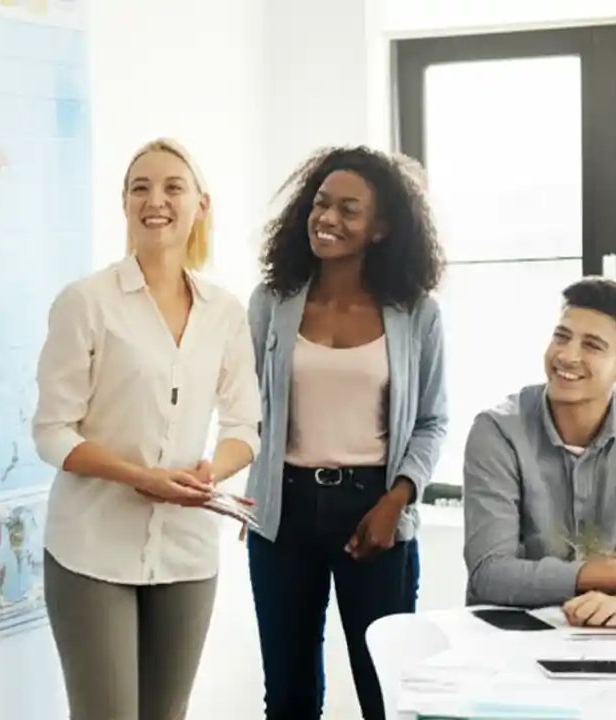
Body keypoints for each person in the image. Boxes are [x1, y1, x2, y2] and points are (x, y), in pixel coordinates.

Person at [32, 137, 261, 720]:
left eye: (172, 187)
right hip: (91, 548)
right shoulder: (86, 302)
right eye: (140, 187)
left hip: (186, 552)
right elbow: (53, 431)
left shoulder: (224, 311)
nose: (154, 200)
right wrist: (139, 476)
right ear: (125, 204)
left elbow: (245, 423)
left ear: (200, 205)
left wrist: (211, 471)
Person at [246, 145, 448, 720]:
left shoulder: (416, 313)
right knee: (288, 695)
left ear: (381, 227)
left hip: (374, 512)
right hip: (283, 511)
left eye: (349, 209)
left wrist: (397, 501)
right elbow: (247, 407)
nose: (327, 218)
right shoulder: (273, 302)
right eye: (320, 203)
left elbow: (432, 421)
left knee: (386, 693)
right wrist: (252, 491)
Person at [464, 277, 616, 626]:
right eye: (561, 336)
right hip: (511, 629)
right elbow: (490, 574)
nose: (566, 355)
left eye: (592, 345)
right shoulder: (498, 430)